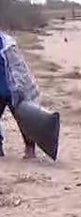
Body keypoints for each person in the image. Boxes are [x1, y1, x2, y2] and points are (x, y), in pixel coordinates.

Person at [0, 30, 39, 159]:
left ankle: (30, 149)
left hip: (13, 89)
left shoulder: (7, 44)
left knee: (24, 119)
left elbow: (19, 67)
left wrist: (24, 87)